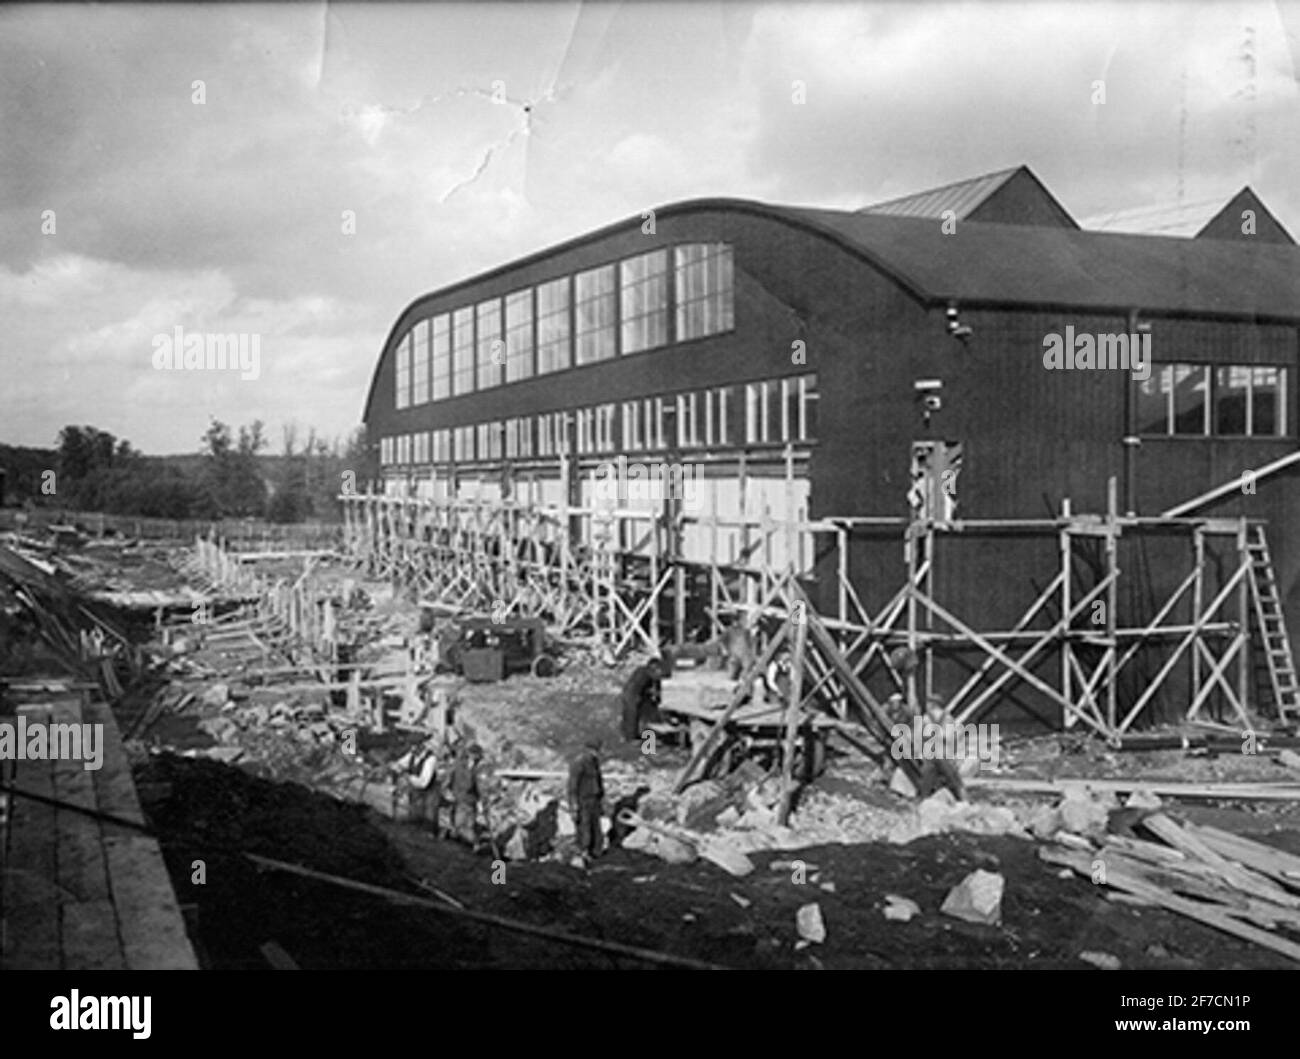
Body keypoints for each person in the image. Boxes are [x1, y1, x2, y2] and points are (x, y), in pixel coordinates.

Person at [568, 738, 605, 862]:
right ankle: (582, 854)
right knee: (584, 829)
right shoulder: (579, 763)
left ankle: (595, 855)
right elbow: (572, 785)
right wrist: (573, 805)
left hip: (594, 800)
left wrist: (601, 798)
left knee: (596, 830)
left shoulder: (595, 762)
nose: (596, 753)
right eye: (593, 750)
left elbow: (599, 781)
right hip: (583, 801)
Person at [403, 734, 444, 836]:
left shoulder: (431, 759)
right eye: (411, 745)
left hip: (430, 793)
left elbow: (423, 782)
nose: (412, 748)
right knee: (415, 814)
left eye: (414, 746)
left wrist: (408, 777)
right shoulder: (412, 756)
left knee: (429, 816)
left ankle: (431, 838)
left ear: (421, 746)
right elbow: (401, 763)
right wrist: (393, 766)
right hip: (417, 793)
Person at [620, 657, 664, 741]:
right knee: (632, 715)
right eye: (657, 669)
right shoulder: (644, 672)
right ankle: (630, 738)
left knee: (635, 715)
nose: (659, 671)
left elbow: (653, 685)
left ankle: (633, 735)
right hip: (632, 695)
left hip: (634, 694)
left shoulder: (643, 671)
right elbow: (653, 681)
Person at [450, 743, 485, 847]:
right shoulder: (464, 767)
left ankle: (471, 845)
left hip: (468, 801)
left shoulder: (463, 765)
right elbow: (468, 785)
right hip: (464, 800)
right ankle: (476, 843)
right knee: (461, 827)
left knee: (466, 826)